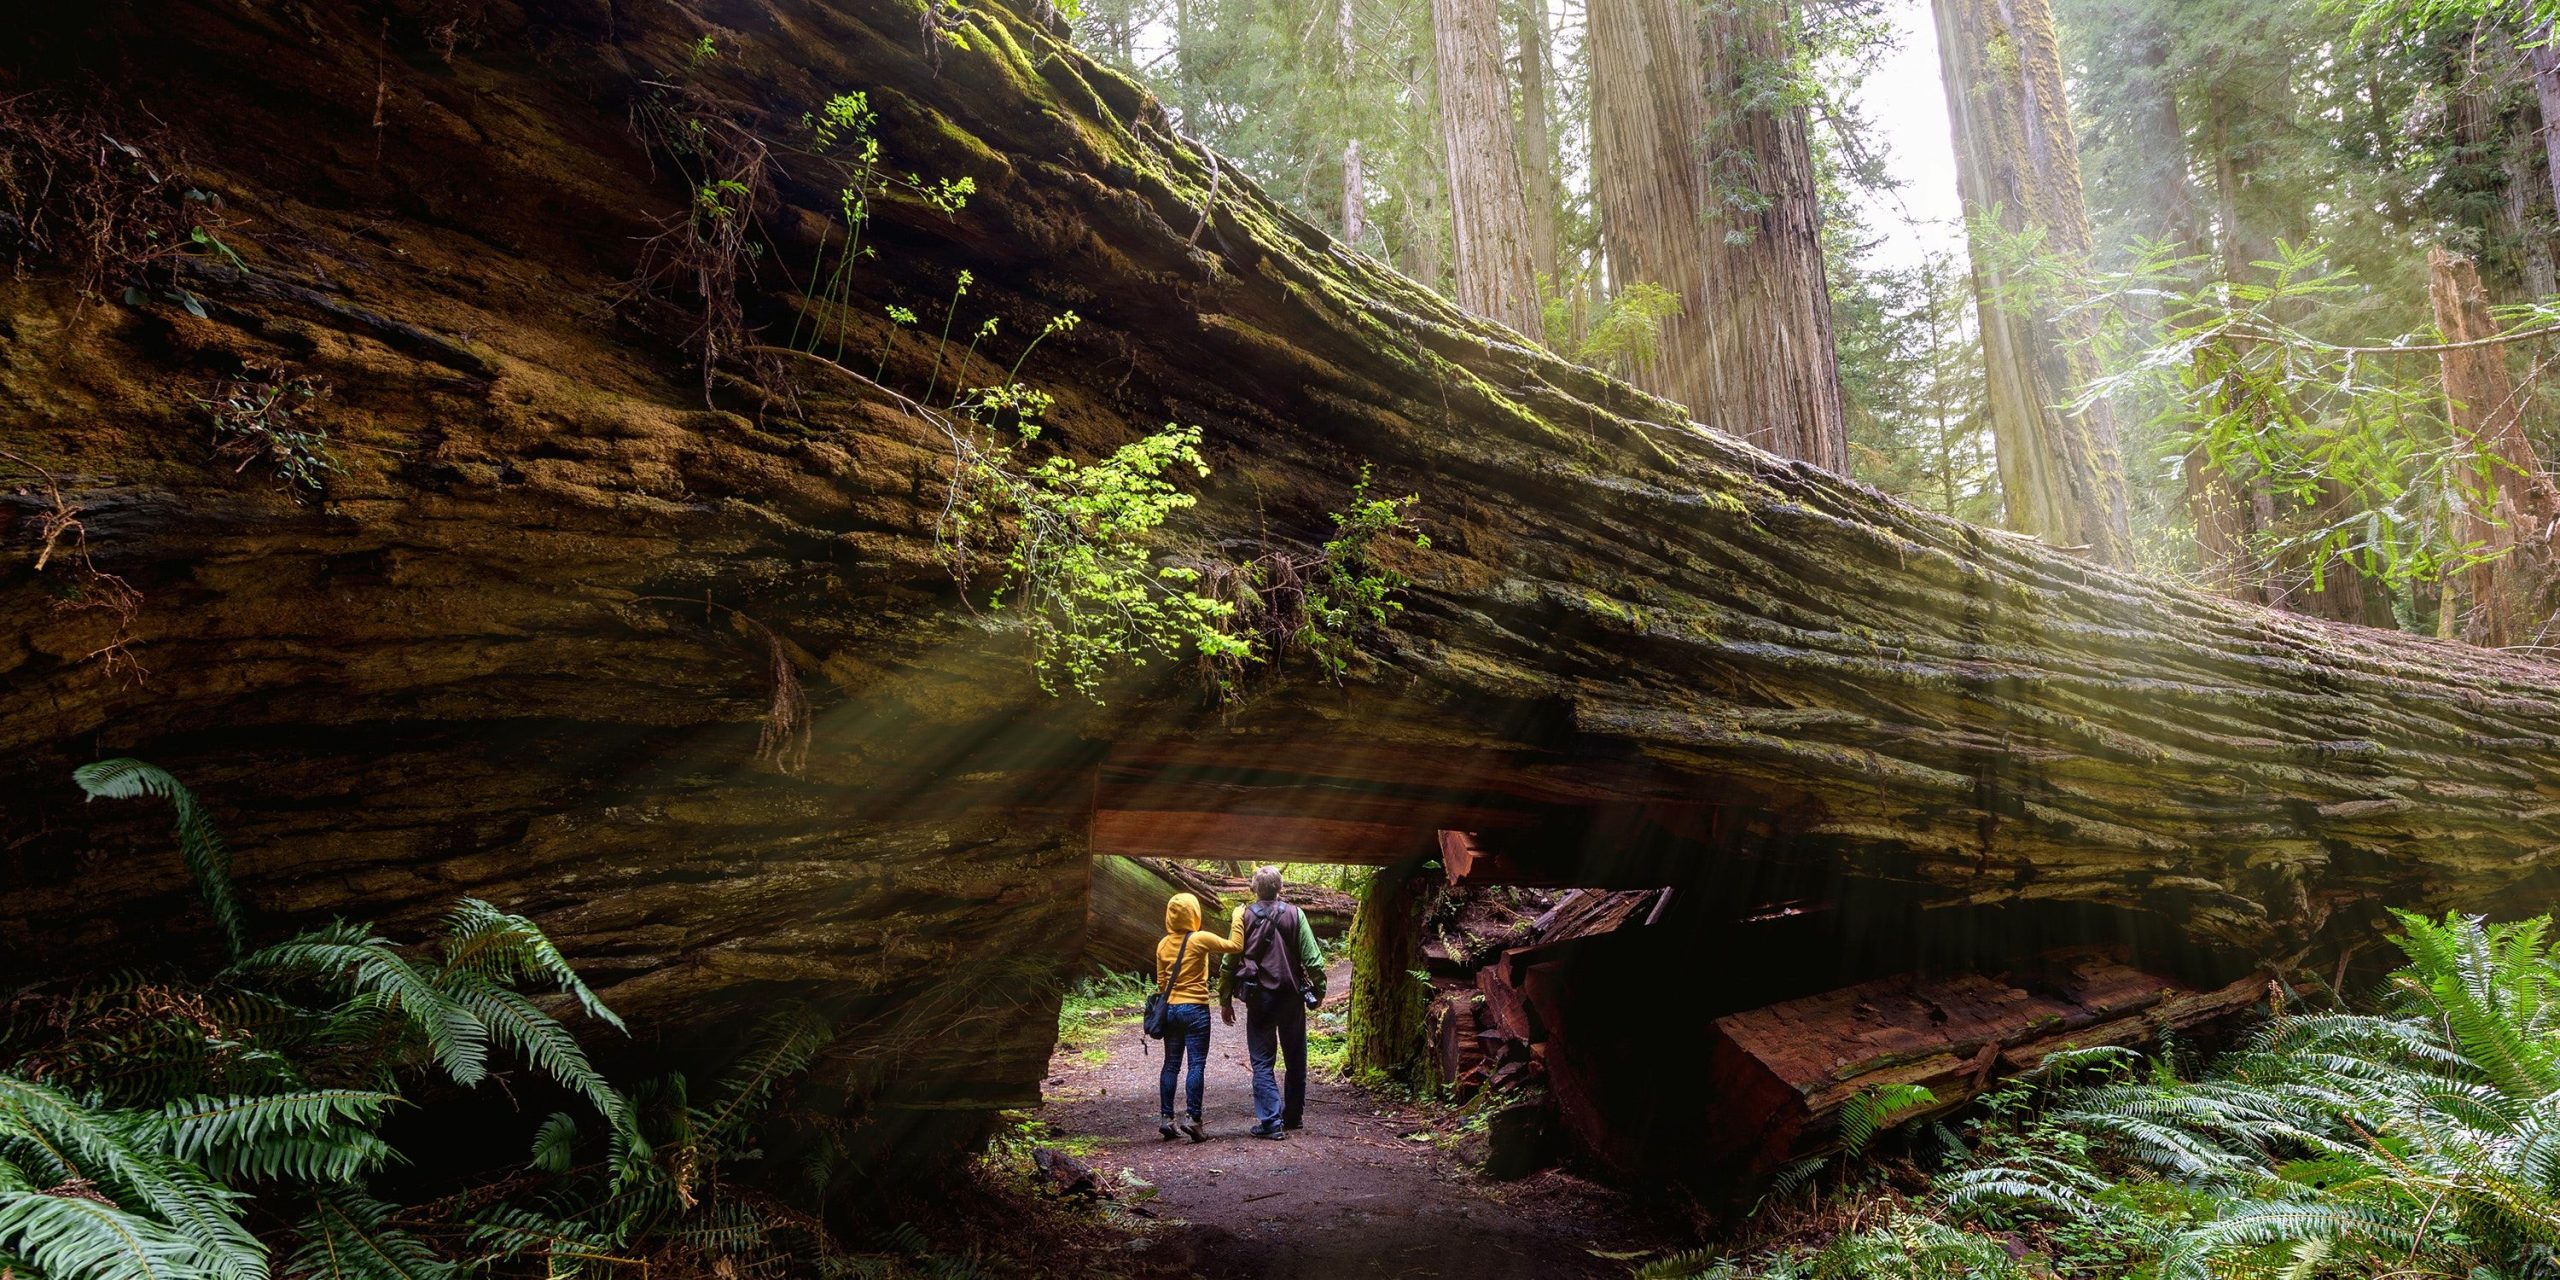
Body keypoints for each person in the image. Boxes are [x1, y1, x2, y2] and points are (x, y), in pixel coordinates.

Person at [1219, 866, 1327, 1139]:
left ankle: (1270, 1122)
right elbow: (1312, 958)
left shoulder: (1243, 916)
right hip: (1291, 997)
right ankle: (1292, 1117)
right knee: (1295, 1057)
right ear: (1281, 888)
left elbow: (1229, 961)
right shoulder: (1296, 914)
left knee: (1263, 1060)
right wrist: (1320, 989)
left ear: (1253, 889)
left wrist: (1225, 999)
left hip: (1259, 998)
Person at [1154, 891, 1240, 1143]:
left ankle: (1166, 1119)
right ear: (1194, 914)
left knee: (1171, 1065)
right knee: (1196, 1065)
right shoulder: (1200, 938)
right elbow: (1235, 946)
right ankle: (1193, 1119)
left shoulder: (1162, 944)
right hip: (1196, 1010)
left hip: (1171, 1010)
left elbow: (1161, 983)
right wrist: (1237, 917)